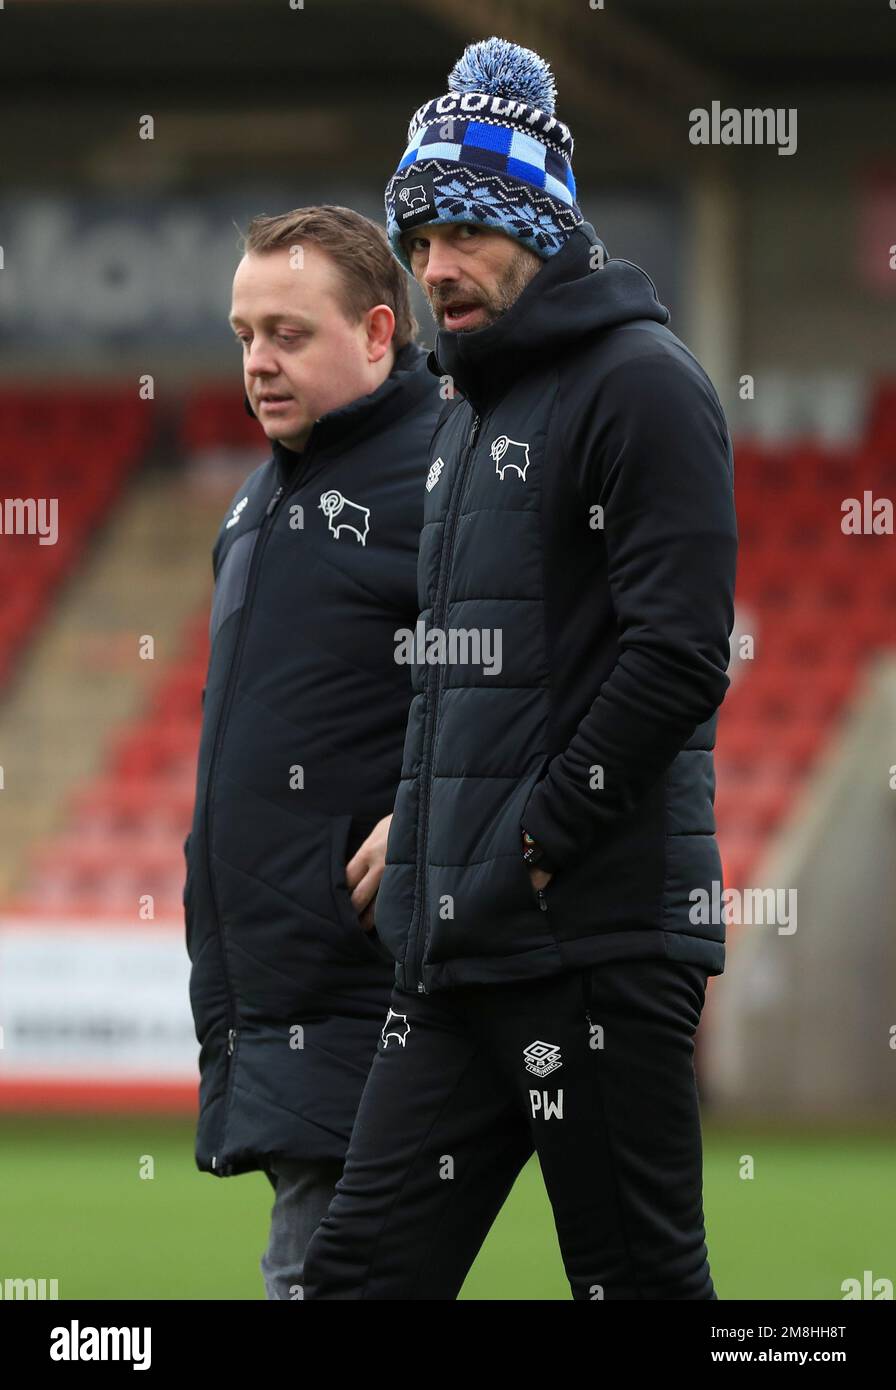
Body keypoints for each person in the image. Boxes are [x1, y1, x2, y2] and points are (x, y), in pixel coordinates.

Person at [303, 38, 738, 1300]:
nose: (436, 265)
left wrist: (532, 843)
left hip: (590, 946)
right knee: (357, 1282)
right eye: (420, 235)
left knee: (638, 1286)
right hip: (456, 951)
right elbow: (486, 681)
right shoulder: (471, 413)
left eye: (467, 234)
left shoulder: (644, 387)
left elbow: (674, 657)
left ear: (544, 226)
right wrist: (428, 821)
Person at [182, 205, 441, 1298]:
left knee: (315, 1272)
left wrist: (433, 816)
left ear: (378, 333)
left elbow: (543, 674)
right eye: (244, 334)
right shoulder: (252, 503)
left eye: (288, 333)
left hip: (368, 985)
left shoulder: (449, 476)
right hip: (280, 985)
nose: (257, 362)